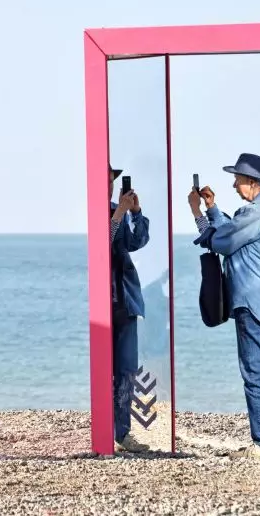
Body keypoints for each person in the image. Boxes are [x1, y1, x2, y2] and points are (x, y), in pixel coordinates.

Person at [187, 153, 260, 463]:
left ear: (252, 182)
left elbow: (223, 241)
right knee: (259, 368)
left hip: (254, 300)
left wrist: (197, 212)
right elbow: (233, 231)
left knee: (255, 371)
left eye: (237, 179)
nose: (234, 184)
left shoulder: (259, 210)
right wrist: (211, 207)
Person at [109, 164, 151, 452]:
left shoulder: (117, 209)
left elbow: (137, 242)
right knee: (105, 369)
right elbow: (101, 247)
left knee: (126, 370)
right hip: (104, 299)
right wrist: (119, 214)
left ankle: (122, 433)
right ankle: (105, 430)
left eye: (111, 181)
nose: (110, 186)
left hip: (125, 298)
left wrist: (135, 212)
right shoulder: (104, 212)